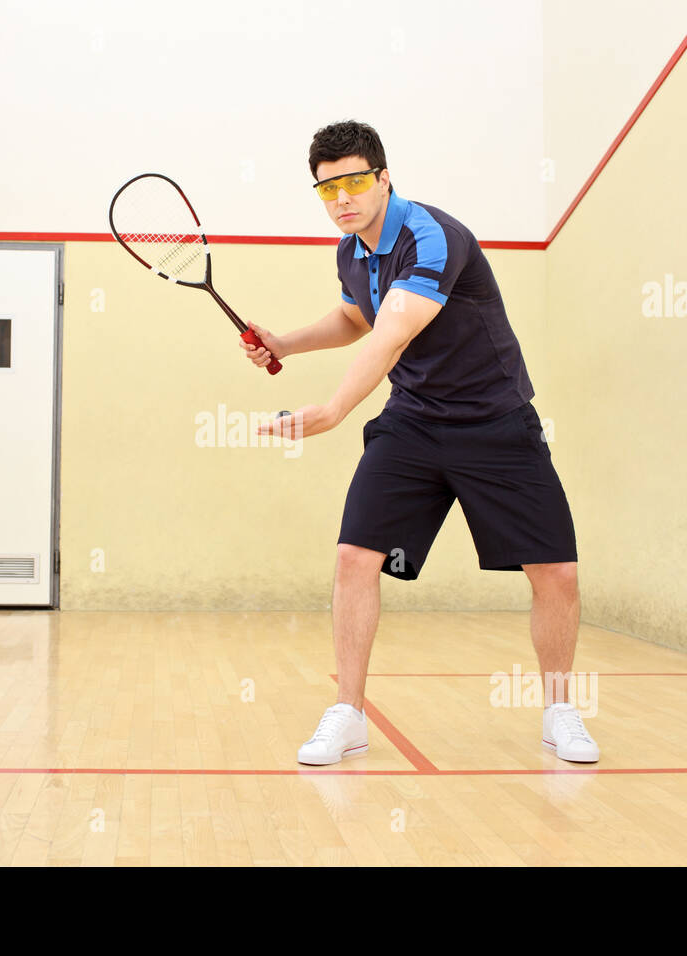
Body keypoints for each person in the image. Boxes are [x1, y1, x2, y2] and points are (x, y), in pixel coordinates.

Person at [243, 120, 599, 766]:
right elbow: (359, 316)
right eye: (327, 189)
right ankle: (349, 714)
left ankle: (559, 710)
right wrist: (286, 343)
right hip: (414, 421)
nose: (342, 198)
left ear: (383, 177)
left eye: (353, 181)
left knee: (557, 572)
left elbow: (391, 333)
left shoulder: (432, 236)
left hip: (496, 419)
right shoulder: (352, 253)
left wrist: (331, 409)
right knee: (355, 556)